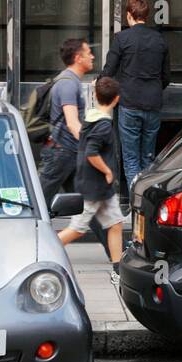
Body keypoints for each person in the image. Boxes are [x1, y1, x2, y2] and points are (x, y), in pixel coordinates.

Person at [101, 0, 170, 196]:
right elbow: (166, 76)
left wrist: (100, 82)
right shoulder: (160, 40)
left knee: (131, 159)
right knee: (147, 157)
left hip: (130, 103)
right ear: (146, 16)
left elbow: (109, 71)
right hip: (153, 104)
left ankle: (136, 203)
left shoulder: (122, 38)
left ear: (129, 14)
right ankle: (146, 201)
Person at [57, 77, 123, 285]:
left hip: (99, 187)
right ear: (117, 99)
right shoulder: (102, 126)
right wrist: (107, 171)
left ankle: (118, 269)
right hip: (94, 186)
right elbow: (92, 153)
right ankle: (43, 252)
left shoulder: (91, 119)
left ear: (95, 96)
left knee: (116, 223)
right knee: (78, 228)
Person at [39, 37, 94, 204]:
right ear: (78, 58)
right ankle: (21, 228)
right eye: (89, 53)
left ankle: (104, 231)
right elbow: (72, 123)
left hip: (67, 152)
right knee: (39, 204)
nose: (92, 57)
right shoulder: (68, 84)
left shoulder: (70, 81)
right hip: (61, 153)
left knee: (84, 204)